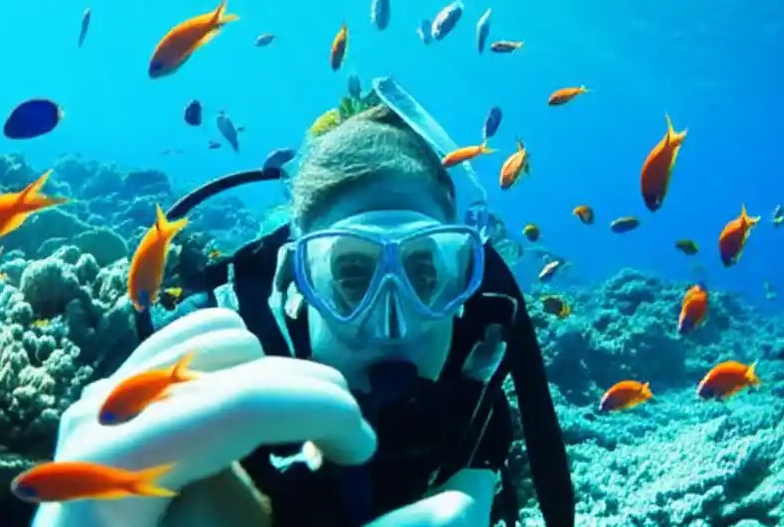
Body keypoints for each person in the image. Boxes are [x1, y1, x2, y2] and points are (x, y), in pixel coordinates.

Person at [33, 78, 574, 527]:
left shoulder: (477, 374)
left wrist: (470, 493)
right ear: (296, 281)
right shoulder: (210, 369)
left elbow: (485, 466)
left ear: (462, 281)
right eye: (352, 274)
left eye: (425, 273)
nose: (393, 324)